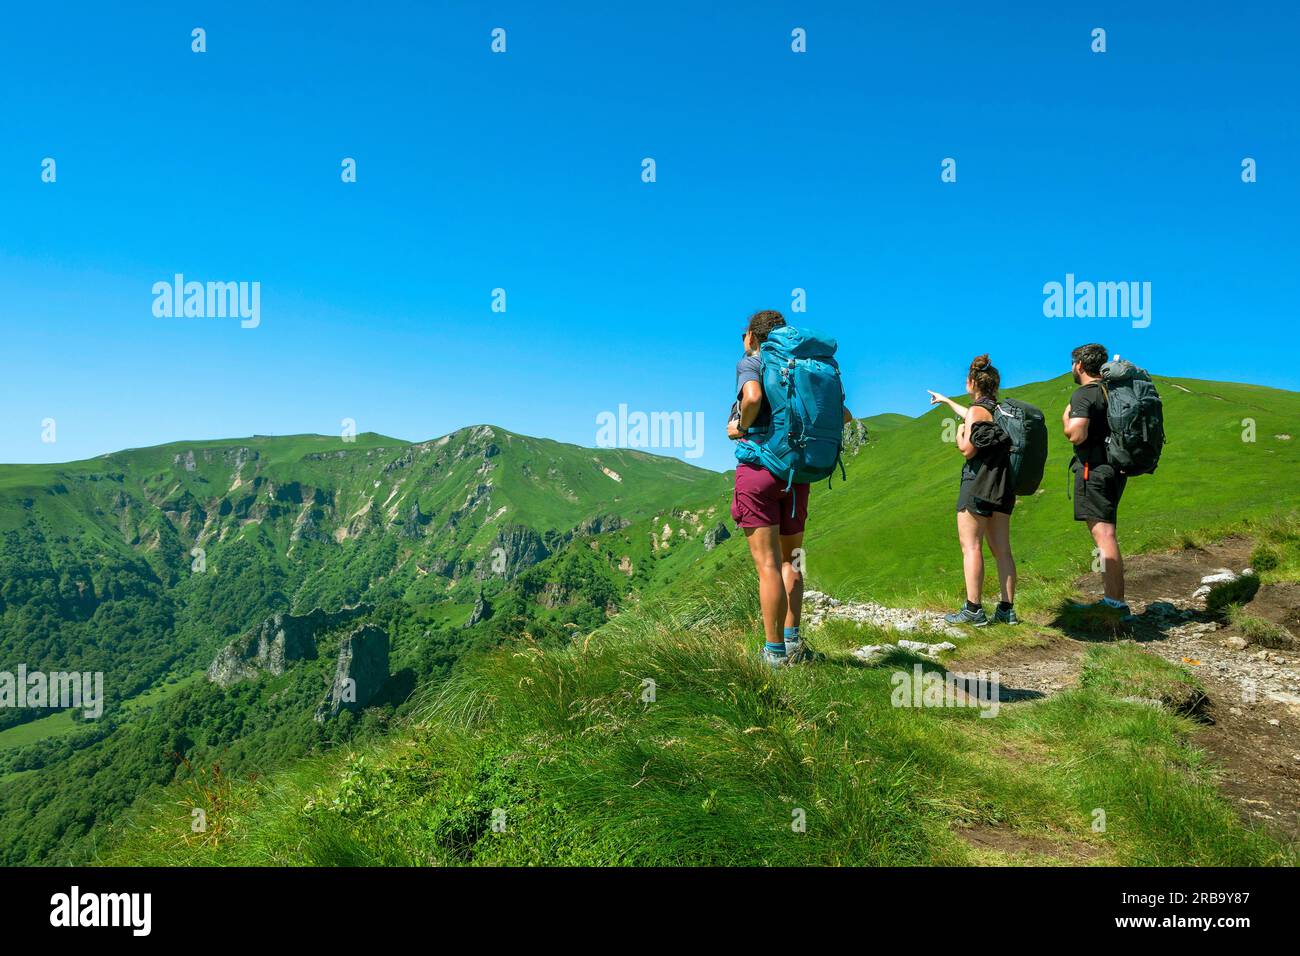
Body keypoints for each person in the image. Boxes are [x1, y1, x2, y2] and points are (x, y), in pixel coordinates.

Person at [727, 310, 853, 668]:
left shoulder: (753, 362)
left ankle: (773, 654)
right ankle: (793, 642)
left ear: (752, 335)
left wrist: (740, 426)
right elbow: (843, 415)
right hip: (796, 476)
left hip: (760, 471)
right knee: (791, 561)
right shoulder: (805, 366)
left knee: (767, 565)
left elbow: (751, 398)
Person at [927, 355, 1018, 627]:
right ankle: (1007, 609)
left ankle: (974, 609)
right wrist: (945, 401)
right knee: (1002, 549)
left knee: (971, 546)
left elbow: (969, 448)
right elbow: (971, 414)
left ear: (971, 383)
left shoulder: (978, 412)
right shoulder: (998, 409)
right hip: (1003, 485)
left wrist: (959, 435)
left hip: (978, 483)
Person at [1063, 343, 1130, 616]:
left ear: (1079, 365)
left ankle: (1115, 604)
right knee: (1107, 532)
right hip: (1116, 468)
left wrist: (1066, 418)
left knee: (1103, 535)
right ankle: (1112, 600)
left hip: (1094, 470)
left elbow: (1076, 434)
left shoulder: (1085, 393)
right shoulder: (1111, 391)